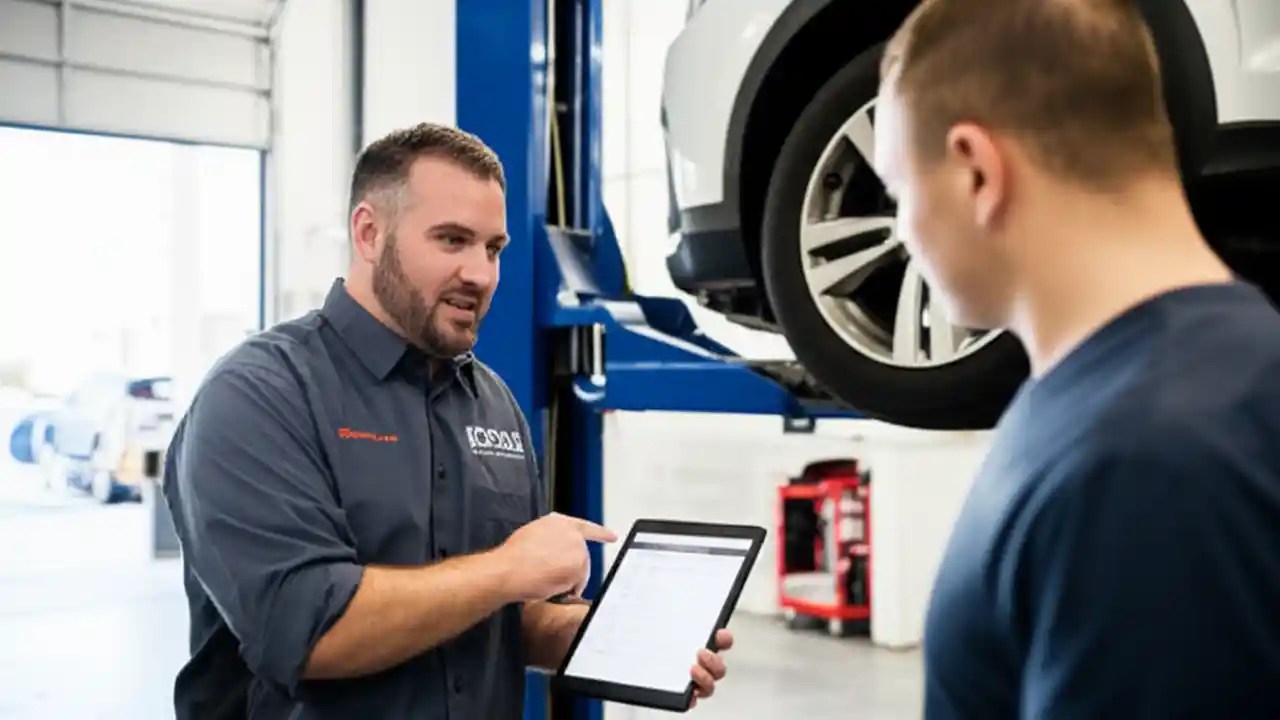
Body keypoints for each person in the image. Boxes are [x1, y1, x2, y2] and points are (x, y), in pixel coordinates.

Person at [162, 123, 733, 719]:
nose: (481, 274)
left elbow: (505, 620)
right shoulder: (259, 394)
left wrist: (627, 639)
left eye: (493, 249)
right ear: (368, 232)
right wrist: (509, 568)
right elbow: (305, 627)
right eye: (452, 240)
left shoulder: (492, 403)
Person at [873, 0, 1280, 718]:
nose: (902, 233)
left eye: (899, 191)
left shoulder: (1149, 463)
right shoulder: (1140, 389)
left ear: (975, 171)